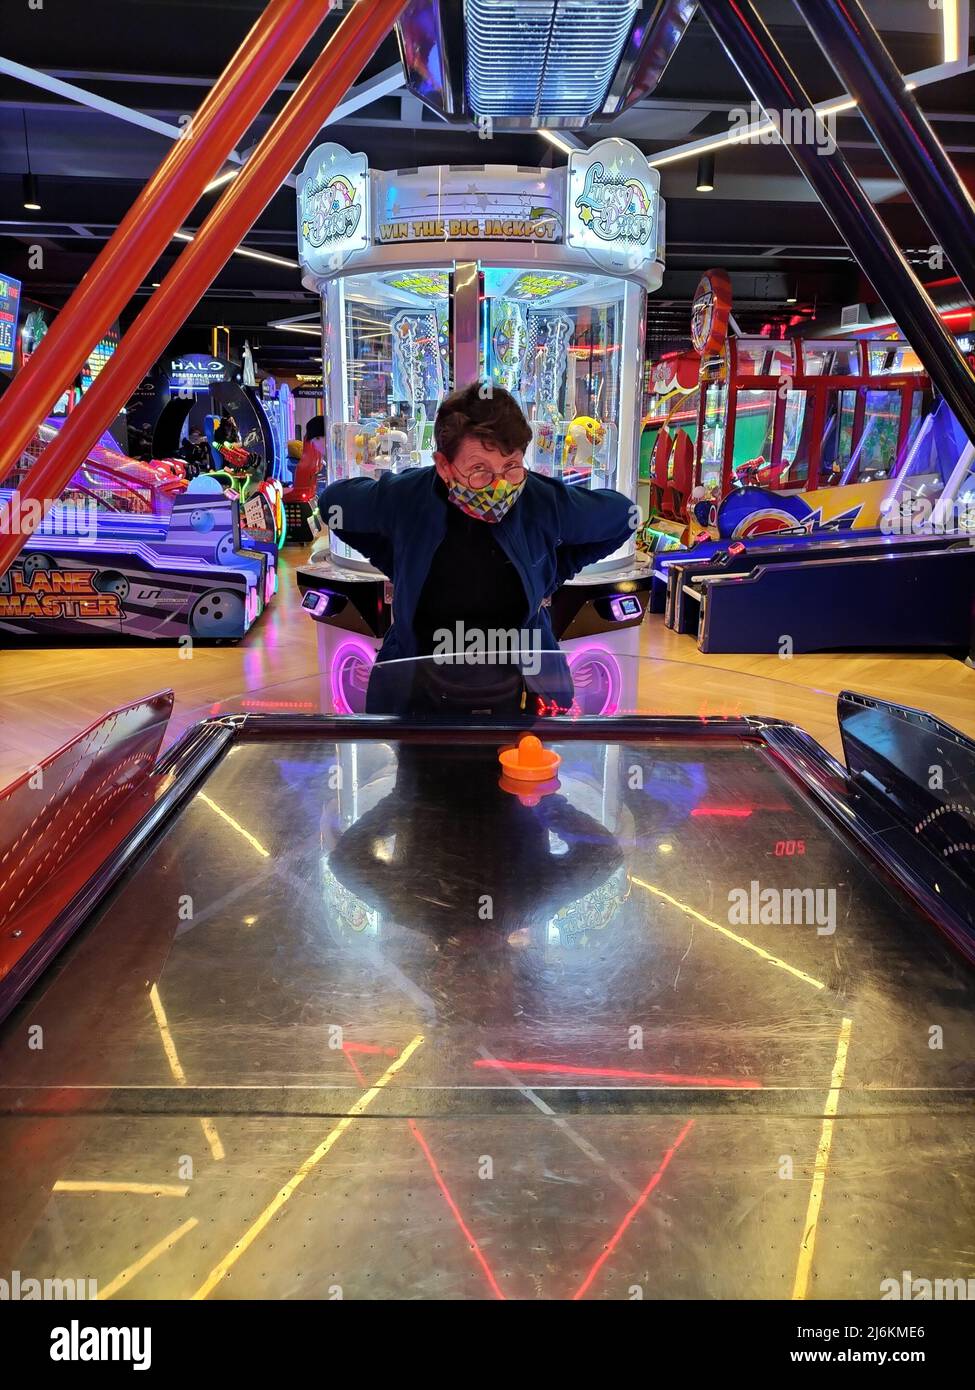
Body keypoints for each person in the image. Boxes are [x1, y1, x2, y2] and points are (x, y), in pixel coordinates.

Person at [319, 383, 634, 714]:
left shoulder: (540, 500)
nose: (499, 484)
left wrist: (551, 573)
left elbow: (622, 518)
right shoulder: (408, 497)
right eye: (479, 470)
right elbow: (333, 506)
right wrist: (398, 561)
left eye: (511, 465)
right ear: (443, 466)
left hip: (520, 698)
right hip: (419, 698)